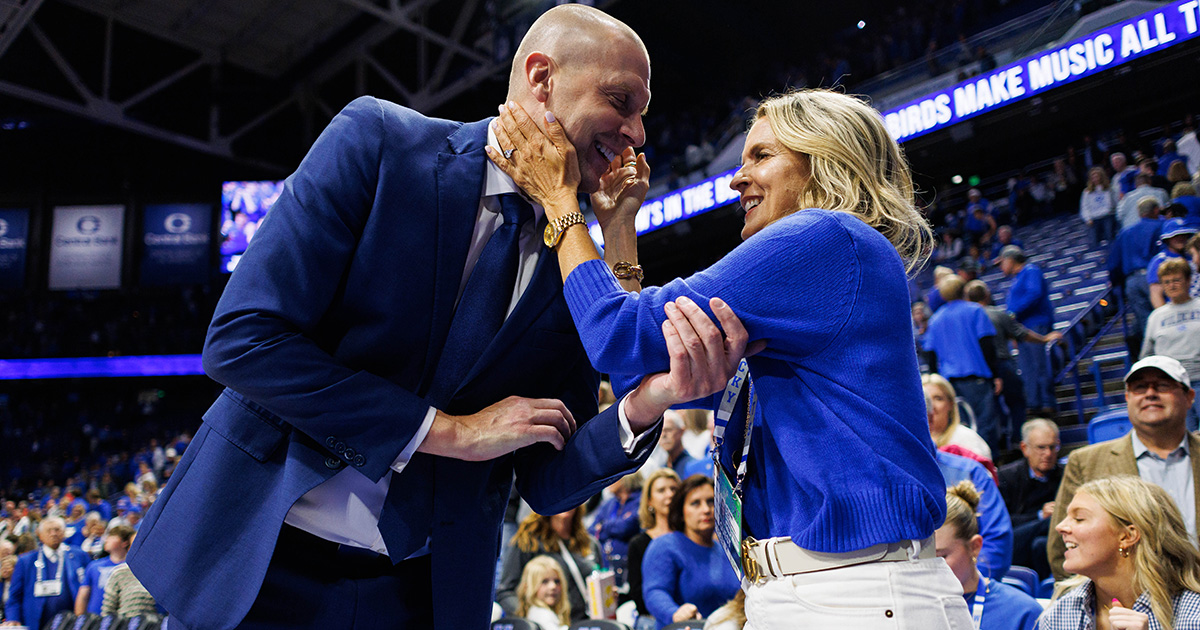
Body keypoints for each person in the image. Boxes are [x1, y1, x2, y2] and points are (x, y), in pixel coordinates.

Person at [124, 6, 754, 630]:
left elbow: (548, 474)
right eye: (622, 101)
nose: (639, 133)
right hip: (258, 566)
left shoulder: (574, 262)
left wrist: (644, 403)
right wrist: (448, 431)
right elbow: (243, 340)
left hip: (418, 596)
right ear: (541, 79)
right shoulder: (377, 141)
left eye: (643, 113)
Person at [489, 88, 968, 627]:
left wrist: (560, 203)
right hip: (814, 587)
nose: (737, 178)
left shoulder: (823, 235)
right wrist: (618, 226)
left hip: (854, 592)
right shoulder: (820, 275)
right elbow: (641, 374)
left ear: (824, 163)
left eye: (762, 156)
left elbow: (613, 333)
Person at [1048, 355, 1200, 580]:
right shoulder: (1086, 463)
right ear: (1127, 397)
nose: (1150, 393)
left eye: (1163, 385)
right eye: (1139, 387)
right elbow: (1063, 552)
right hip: (1124, 606)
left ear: (1189, 397)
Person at [1040, 476, 1200, 630]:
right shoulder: (1059, 614)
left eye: (1079, 518)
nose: (1060, 527)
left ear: (1127, 536)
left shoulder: (1193, 616)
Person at [935, 481, 1043, 630]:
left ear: (975, 547)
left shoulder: (1023, 612)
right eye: (920, 559)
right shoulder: (910, 607)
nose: (930, 568)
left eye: (941, 557)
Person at [641, 476, 740, 628]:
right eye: (695, 503)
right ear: (681, 512)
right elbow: (655, 591)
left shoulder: (724, 551)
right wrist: (674, 613)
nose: (706, 509)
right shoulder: (665, 545)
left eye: (710, 501)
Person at [924, 275, 1004, 453]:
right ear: (964, 290)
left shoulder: (935, 319)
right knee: (985, 425)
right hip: (978, 380)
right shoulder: (975, 311)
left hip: (950, 384)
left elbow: (930, 354)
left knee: (955, 425)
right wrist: (996, 374)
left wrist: (935, 380)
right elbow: (987, 344)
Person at [497, 507, 601, 623]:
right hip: (549, 623)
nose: (566, 501)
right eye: (560, 494)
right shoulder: (528, 543)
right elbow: (506, 592)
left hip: (587, 623)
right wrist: (533, 617)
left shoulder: (589, 543)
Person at [997, 419, 1062, 578]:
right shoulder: (1006, 475)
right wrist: (1040, 516)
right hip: (1016, 542)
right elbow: (1003, 522)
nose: (1048, 454)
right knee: (1050, 523)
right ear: (1024, 449)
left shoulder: (1066, 474)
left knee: (1040, 544)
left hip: (1049, 542)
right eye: (1041, 447)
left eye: (1052, 447)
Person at [998, 245, 1057, 418]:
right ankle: (1034, 403)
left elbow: (1034, 293)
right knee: (1028, 368)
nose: (1002, 267)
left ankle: (1046, 402)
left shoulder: (1031, 270)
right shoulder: (1018, 277)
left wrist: (1013, 313)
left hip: (1035, 325)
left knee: (1038, 365)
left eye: (1002, 262)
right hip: (1024, 328)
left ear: (1011, 259)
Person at [1141, 258, 1200, 430]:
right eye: (1166, 282)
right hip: (1172, 388)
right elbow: (1146, 355)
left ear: (1188, 280)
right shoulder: (1156, 317)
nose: (1171, 286)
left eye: (1176, 280)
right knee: (1183, 436)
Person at [2, 517, 90, 629]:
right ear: (40, 535)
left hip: (72, 622)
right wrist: (13, 618)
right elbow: (14, 597)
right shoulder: (25, 561)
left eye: (57, 530)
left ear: (64, 533)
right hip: (35, 623)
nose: (53, 534)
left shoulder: (79, 556)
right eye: (49, 530)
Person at [1109, 198, 1166, 351]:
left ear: (1140, 213)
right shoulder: (1161, 226)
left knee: (1145, 321)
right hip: (1155, 277)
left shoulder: (1125, 232)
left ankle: (1152, 355)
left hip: (1132, 281)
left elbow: (1114, 263)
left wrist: (1115, 283)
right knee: (1164, 315)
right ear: (1155, 210)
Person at [627, 469, 680, 630]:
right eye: (661, 490)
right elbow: (638, 594)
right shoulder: (639, 544)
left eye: (673, 489)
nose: (669, 495)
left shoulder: (689, 539)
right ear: (649, 501)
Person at [924, 374, 993, 462]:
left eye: (938, 398)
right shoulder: (913, 441)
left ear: (950, 404)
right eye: (926, 400)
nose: (931, 406)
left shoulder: (966, 438)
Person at [589, 472, 642, 583]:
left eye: (612, 476)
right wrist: (614, 528)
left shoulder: (640, 500)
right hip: (606, 570)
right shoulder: (609, 504)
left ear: (625, 476)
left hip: (630, 571)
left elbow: (627, 527)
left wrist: (603, 527)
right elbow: (591, 531)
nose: (608, 479)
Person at [74, 525, 134, 616]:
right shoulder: (94, 566)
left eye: (112, 537)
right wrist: (79, 618)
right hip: (94, 620)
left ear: (124, 543)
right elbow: (83, 595)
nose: (106, 540)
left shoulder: (131, 568)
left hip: (122, 619)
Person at [1148, 219, 1198, 308]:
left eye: (1183, 235)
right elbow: (1156, 293)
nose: (1180, 238)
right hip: (1174, 310)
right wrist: (1164, 316)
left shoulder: (1193, 257)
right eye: (1175, 236)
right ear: (1167, 239)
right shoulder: (1159, 260)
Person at [515, 555, 571, 630]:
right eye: (544, 581)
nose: (553, 586)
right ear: (528, 586)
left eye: (557, 581)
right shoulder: (541, 614)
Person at [1080, 166, 1119, 246]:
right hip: (1094, 219)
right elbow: (1084, 207)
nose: (1095, 178)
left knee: (1111, 239)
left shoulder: (1110, 188)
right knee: (1094, 242)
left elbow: (1116, 202)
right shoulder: (1087, 192)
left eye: (1097, 176)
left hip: (1108, 216)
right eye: (1093, 177)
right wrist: (1088, 219)